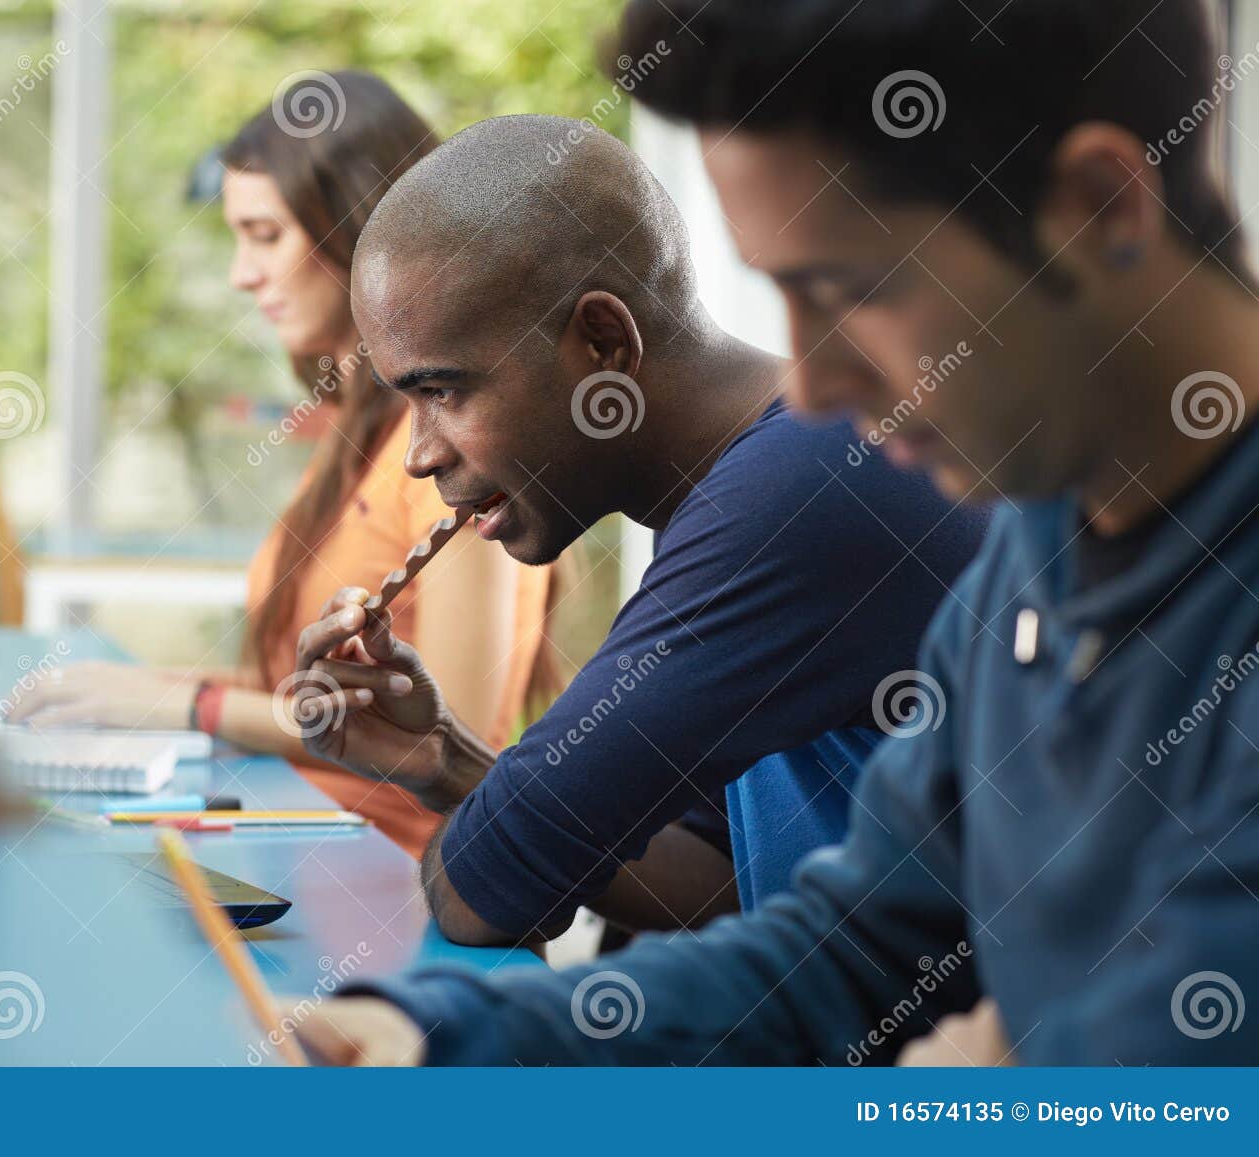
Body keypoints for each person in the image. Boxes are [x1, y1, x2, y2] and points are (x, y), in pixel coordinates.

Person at [292, 0, 1259, 1065]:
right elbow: (847, 951)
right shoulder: (1040, 546)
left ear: (1098, 209)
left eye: (856, 291)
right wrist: (436, 1031)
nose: (812, 380)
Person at [287, 113, 988, 946]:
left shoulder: (793, 493)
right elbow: (722, 879)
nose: (418, 455)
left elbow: (485, 893)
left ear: (603, 341)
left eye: (443, 390)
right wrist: (444, 757)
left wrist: (495, 835)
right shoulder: (752, 479)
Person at [8, 72, 558, 858]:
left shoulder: (447, 443)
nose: (241, 273)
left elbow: (455, 739)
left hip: (390, 880)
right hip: (308, 841)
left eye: (265, 235)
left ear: (359, 231)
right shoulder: (355, 431)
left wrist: (189, 702)